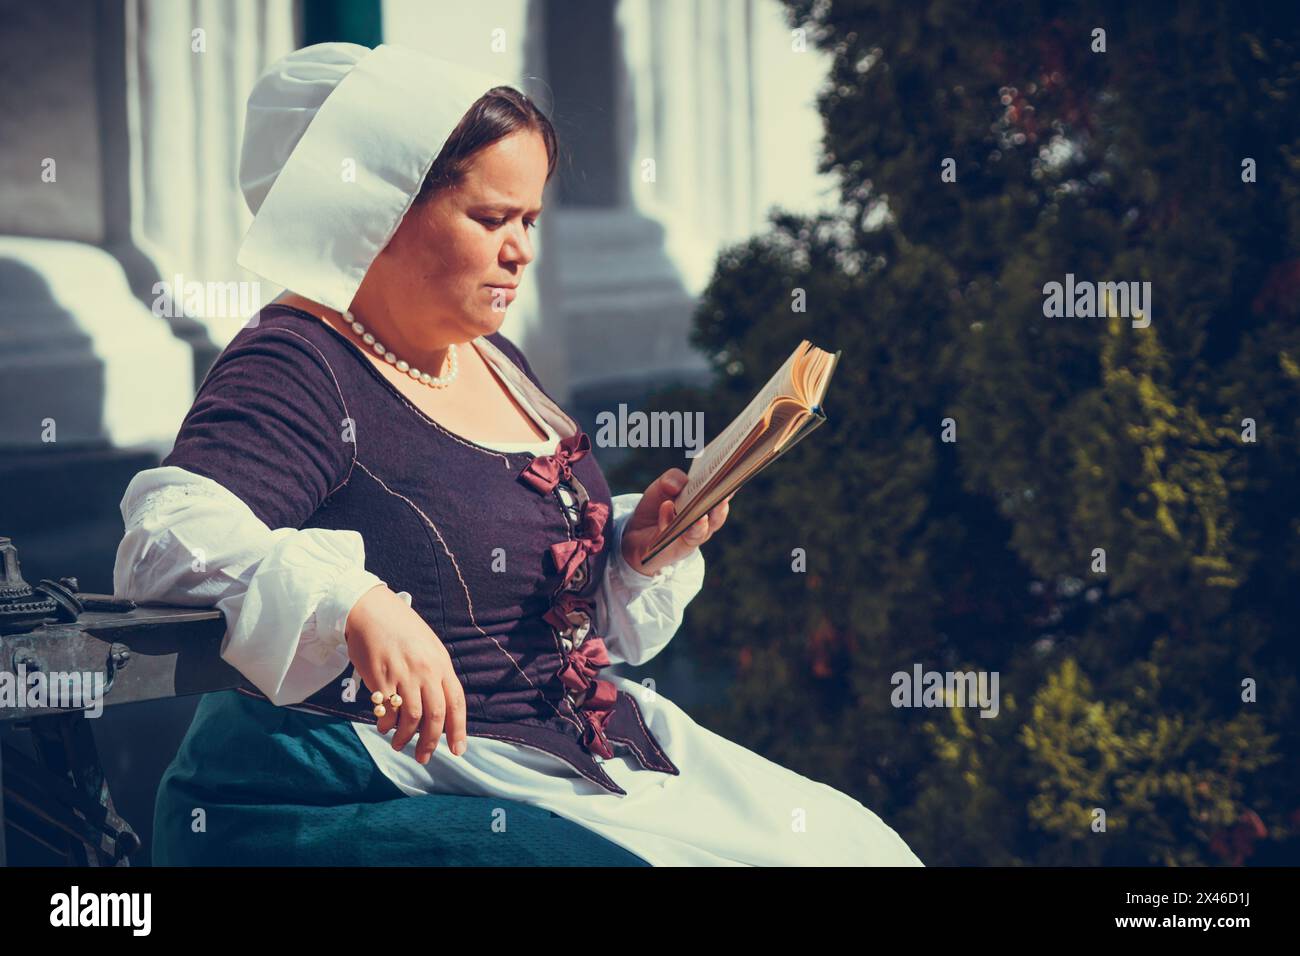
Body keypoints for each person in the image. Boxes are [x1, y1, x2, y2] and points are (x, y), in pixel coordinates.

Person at [115, 42, 924, 867]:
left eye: (530, 219)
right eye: (491, 218)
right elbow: (166, 536)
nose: (521, 250)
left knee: (853, 849)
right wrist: (352, 602)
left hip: (562, 752)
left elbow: (525, 601)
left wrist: (631, 558)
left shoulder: (495, 361)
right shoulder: (300, 363)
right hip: (352, 780)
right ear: (382, 211)